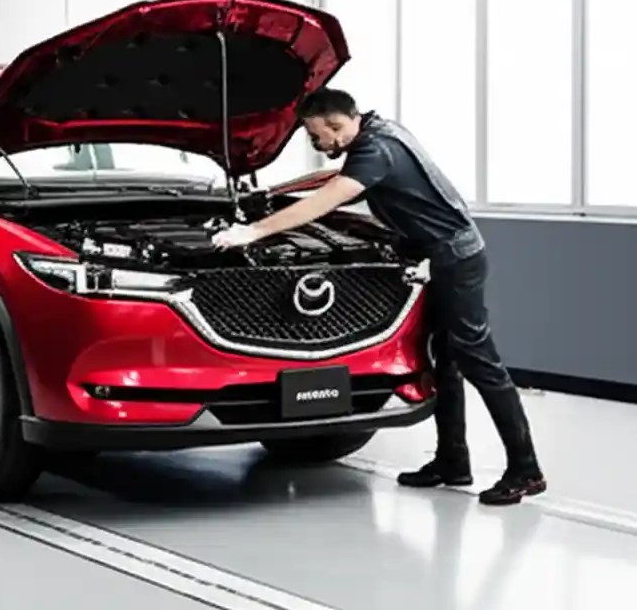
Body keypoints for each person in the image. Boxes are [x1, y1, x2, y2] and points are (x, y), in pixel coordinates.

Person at [210, 88, 546, 506]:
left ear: (335, 125)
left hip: (456, 260)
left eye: (317, 137)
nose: (318, 145)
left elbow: (327, 199)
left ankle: (525, 470)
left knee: (481, 363)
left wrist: (255, 231)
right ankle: (452, 462)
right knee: (444, 361)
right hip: (445, 254)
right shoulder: (378, 132)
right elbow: (330, 181)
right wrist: (274, 193)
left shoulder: (375, 150)